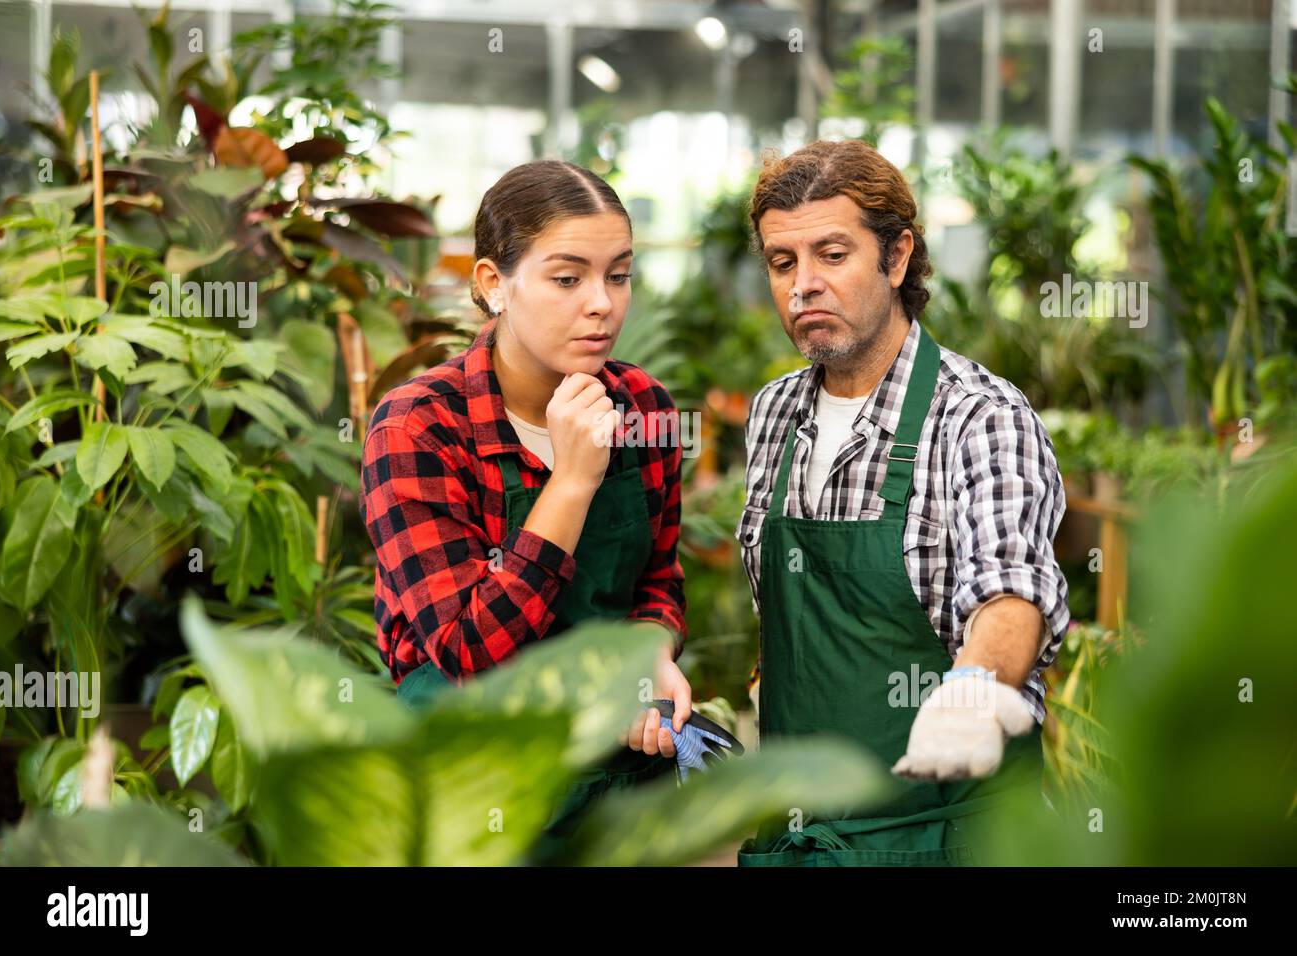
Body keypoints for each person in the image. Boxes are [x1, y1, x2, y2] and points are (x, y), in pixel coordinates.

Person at [736, 139, 1070, 866]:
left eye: (832, 254)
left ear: (895, 258)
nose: (803, 286)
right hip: (802, 840)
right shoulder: (772, 415)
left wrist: (973, 692)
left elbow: (1012, 590)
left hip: (947, 839)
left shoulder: (978, 416)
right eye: (782, 262)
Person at [360, 160, 692, 854]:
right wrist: (570, 483)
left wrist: (652, 655)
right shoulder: (420, 428)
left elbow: (657, 581)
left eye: (619, 274)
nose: (601, 303)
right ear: (493, 284)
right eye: (567, 278)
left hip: (617, 792)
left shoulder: (644, 409)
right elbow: (466, 653)